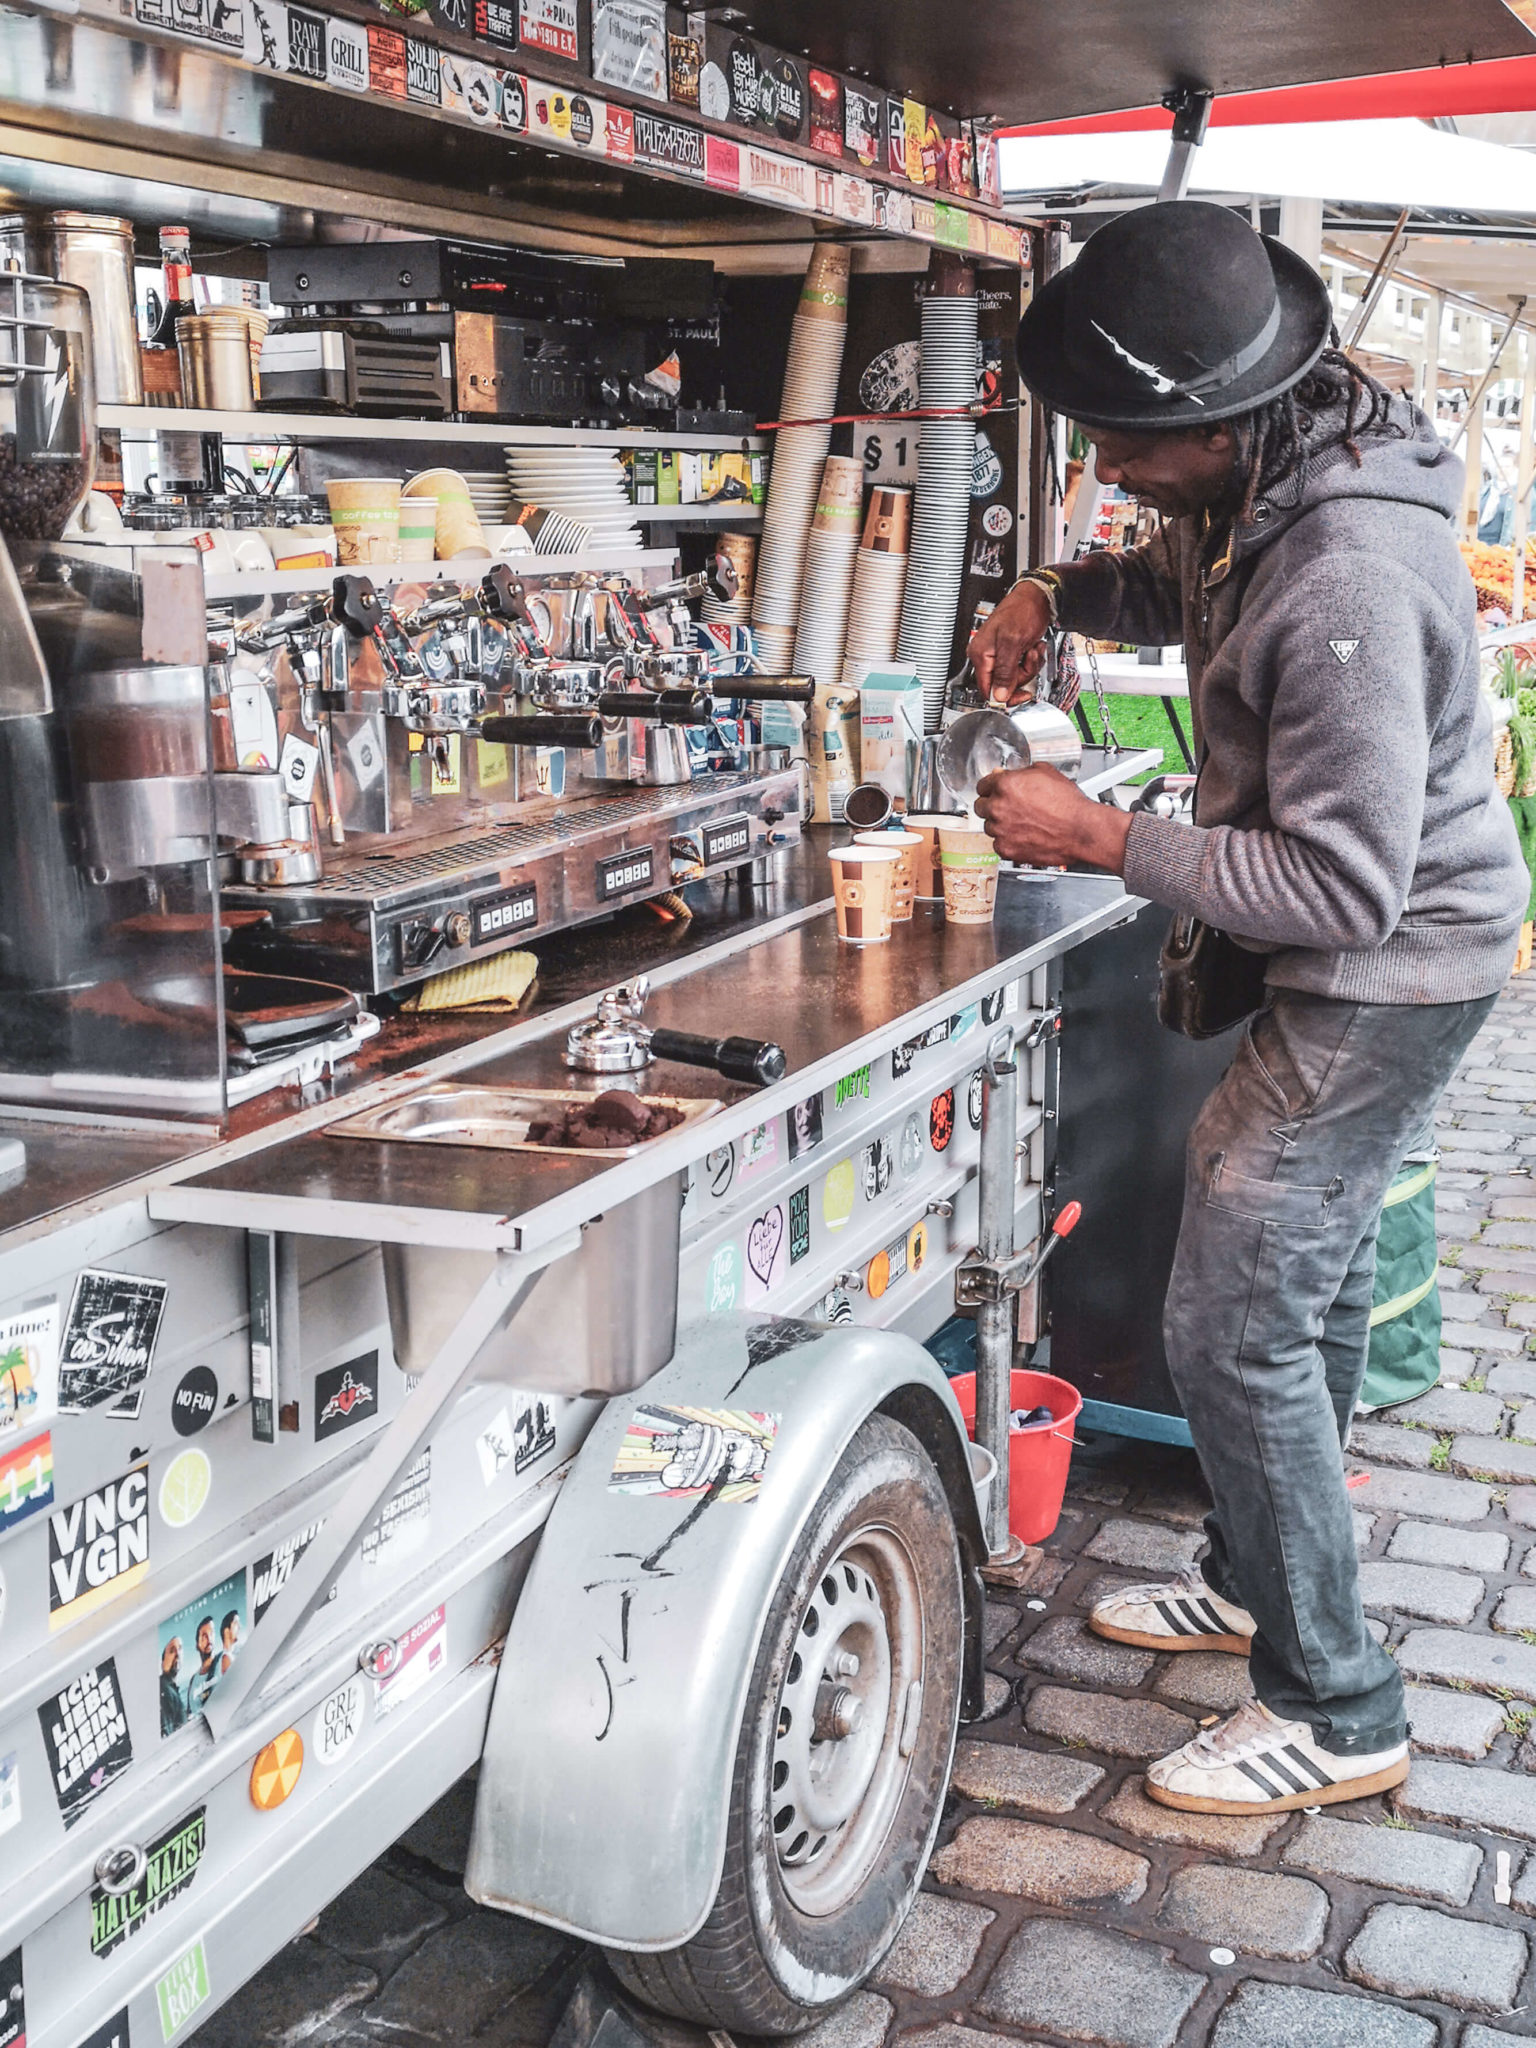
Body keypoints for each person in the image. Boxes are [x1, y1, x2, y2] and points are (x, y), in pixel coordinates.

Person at [969, 200, 1528, 1817]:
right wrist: (1050, 592)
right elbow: (1178, 589)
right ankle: (1251, 1570)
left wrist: (1100, 837)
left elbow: (1343, 885)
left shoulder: (1345, 562)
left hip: (1387, 968)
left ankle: (1337, 1702)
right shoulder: (1274, 486)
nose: (1110, 469)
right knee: (1314, 1267)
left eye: (1122, 447)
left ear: (1212, 425)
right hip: (1403, 948)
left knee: (1234, 1314)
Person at [185, 1616, 219, 1715]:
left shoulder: (223, 1662)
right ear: (197, 1645)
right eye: (204, 1635)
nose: (209, 1638)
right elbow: (189, 1713)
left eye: (211, 1633)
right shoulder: (193, 1680)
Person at [159, 1638, 186, 1736]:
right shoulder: (164, 1691)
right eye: (172, 1651)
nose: (177, 1654)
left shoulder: (170, 1689)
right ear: (162, 1663)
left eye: (180, 1649)